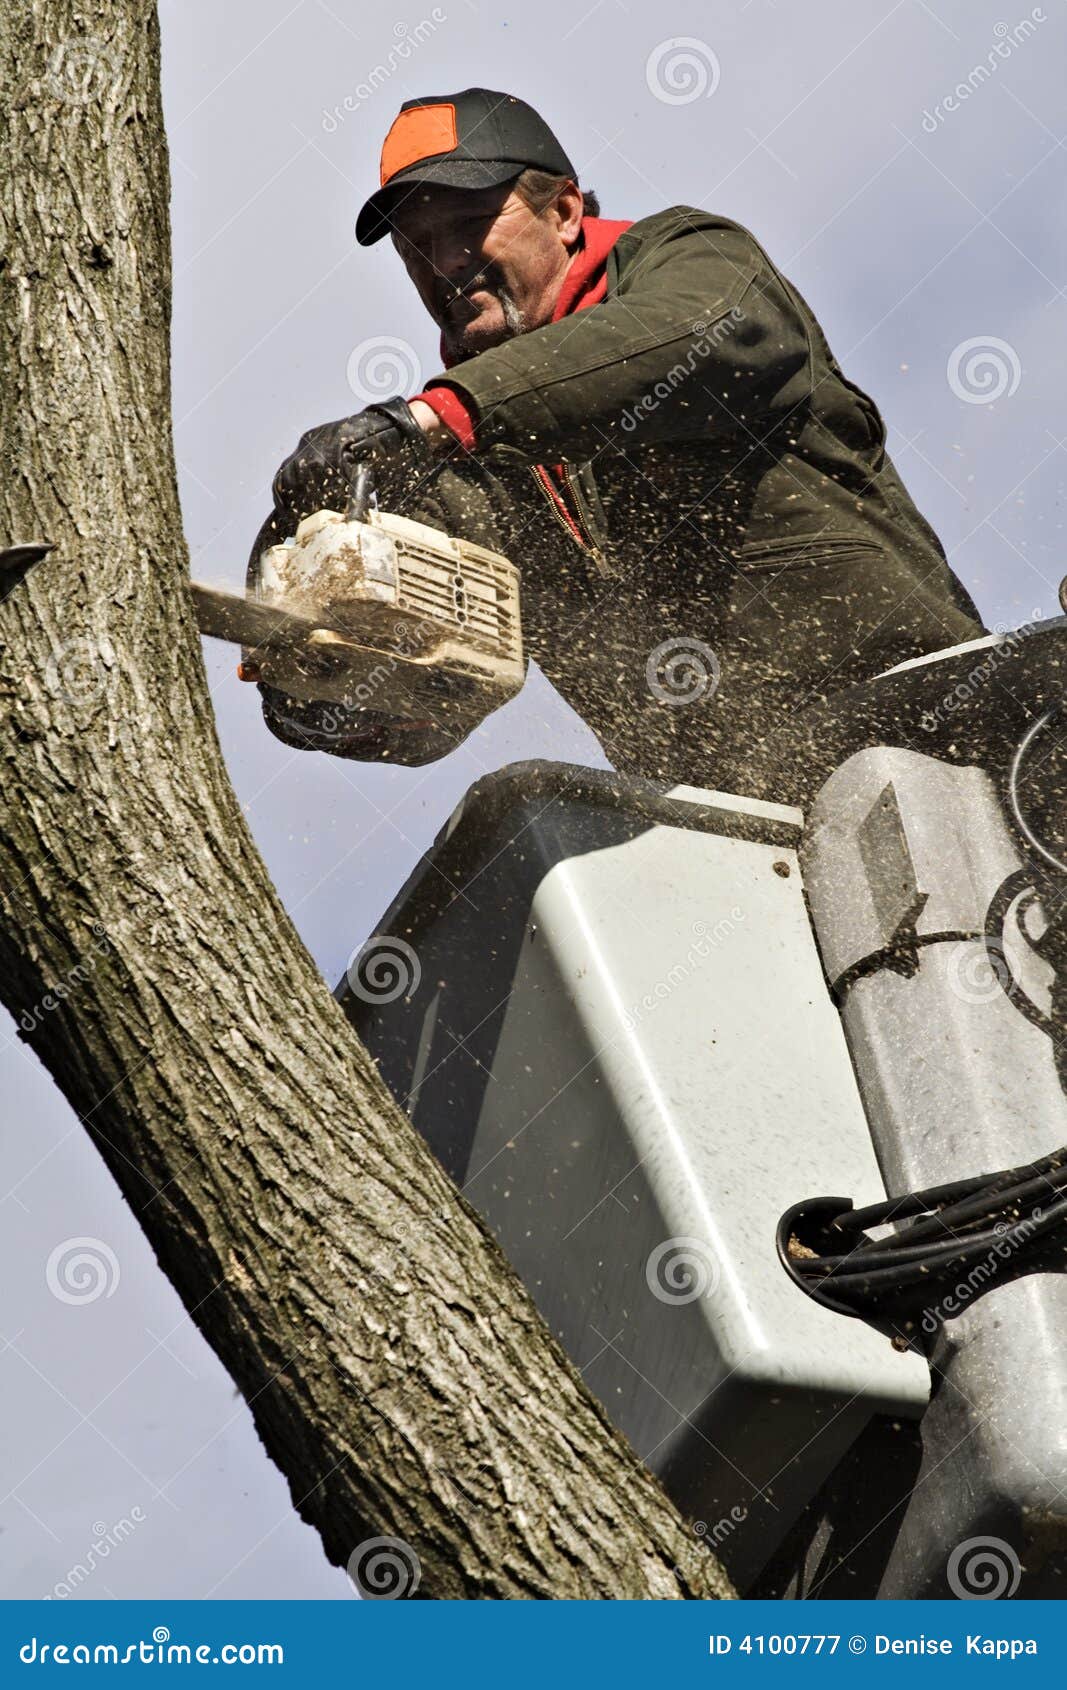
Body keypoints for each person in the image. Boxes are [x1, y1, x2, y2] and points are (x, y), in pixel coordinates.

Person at [255, 86, 984, 796]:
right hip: (725, 822)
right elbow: (442, 692)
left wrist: (433, 418)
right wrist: (321, 677)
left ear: (565, 211)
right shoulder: (461, 473)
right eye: (418, 244)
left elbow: (707, 333)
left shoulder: (692, 260)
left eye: (471, 222)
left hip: (928, 731)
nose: (445, 261)